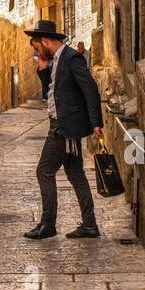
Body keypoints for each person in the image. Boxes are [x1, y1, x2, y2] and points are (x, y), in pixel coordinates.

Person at [23, 19, 104, 239]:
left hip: (64, 128)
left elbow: (90, 89)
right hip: (63, 125)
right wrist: (42, 70)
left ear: (47, 42)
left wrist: (96, 122)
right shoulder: (56, 60)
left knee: (44, 172)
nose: (37, 53)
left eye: (38, 48)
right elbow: (51, 90)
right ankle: (89, 225)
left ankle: (48, 225)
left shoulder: (72, 58)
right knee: (76, 173)